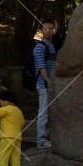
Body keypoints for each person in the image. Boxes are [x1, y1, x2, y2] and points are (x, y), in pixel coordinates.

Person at [33, 20, 58, 148]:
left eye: (51, 28)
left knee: (48, 111)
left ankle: (47, 137)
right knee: (43, 111)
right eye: (46, 28)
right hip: (43, 84)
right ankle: (41, 140)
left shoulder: (51, 46)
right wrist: (48, 81)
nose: (48, 31)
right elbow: (41, 67)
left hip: (50, 84)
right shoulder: (40, 47)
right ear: (41, 30)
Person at [0, 91, 25, 166]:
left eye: (1, 101)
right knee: (15, 158)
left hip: (6, 137)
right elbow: (22, 124)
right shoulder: (18, 110)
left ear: (7, 100)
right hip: (18, 138)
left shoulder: (5, 109)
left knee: (3, 156)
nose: (0, 103)